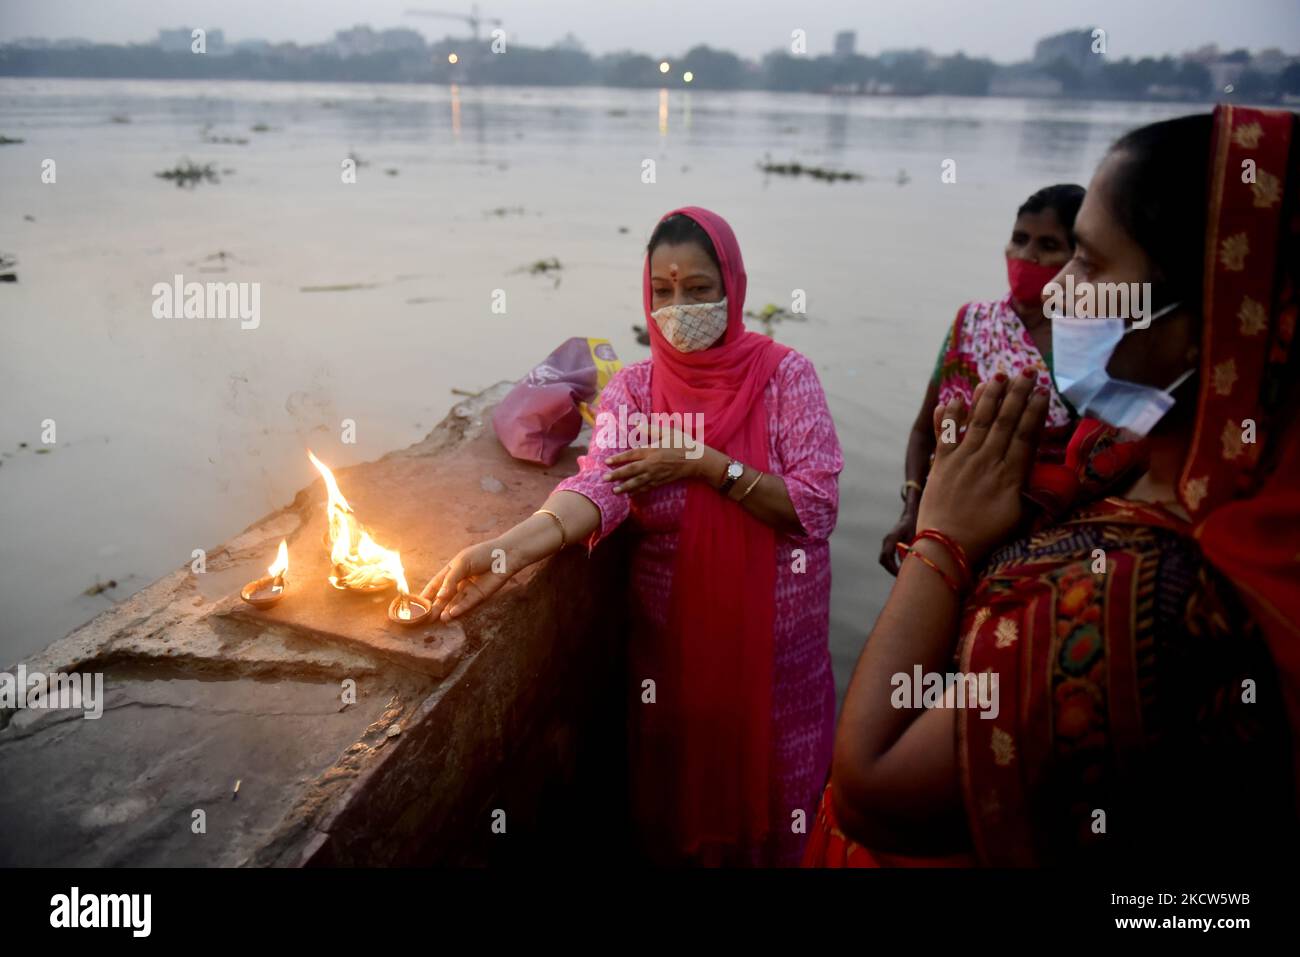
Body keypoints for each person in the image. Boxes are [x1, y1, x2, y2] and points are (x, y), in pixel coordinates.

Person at [811, 105, 1300, 867]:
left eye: (1092, 265)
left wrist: (941, 539)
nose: (1059, 289)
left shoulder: (1143, 605)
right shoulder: (1131, 456)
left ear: (1207, 319)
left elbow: (871, 790)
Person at [421, 207, 843, 866]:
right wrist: (512, 546)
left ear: (733, 286)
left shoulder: (787, 377)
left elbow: (815, 507)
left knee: (780, 808)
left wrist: (706, 464)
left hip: (776, 664)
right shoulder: (635, 392)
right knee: (681, 809)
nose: (680, 307)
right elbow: (600, 486)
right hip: (676, 656)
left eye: (699, 289)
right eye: (664, 292)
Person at [880, 184, 1086, 574]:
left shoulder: (1092, 341)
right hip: (945, 527)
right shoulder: (972, 322)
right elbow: (926, 431)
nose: (1028, 255)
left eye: (1048, 244)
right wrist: (912, 508)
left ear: (1077, 258)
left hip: (1047, 547)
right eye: (1020, 239)